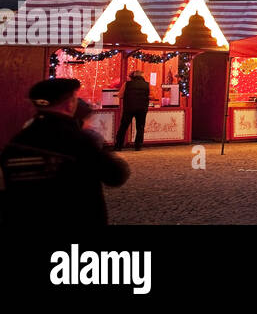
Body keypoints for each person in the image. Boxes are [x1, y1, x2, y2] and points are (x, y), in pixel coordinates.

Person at [1, 78, 130, 225]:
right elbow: (115, 175)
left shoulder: (17, 141)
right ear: (69, 104)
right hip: (75, 217)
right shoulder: (79, 140)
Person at [114, 71, 151, 151]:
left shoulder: (127, 84)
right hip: (142, 109)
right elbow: (152, 96)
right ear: (142, 76)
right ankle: (138, 146)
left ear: (133, 76)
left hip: (129, 108)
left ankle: (118, 145)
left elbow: (120, 95)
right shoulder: (147, 85)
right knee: (140, 127)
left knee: (123, 127)